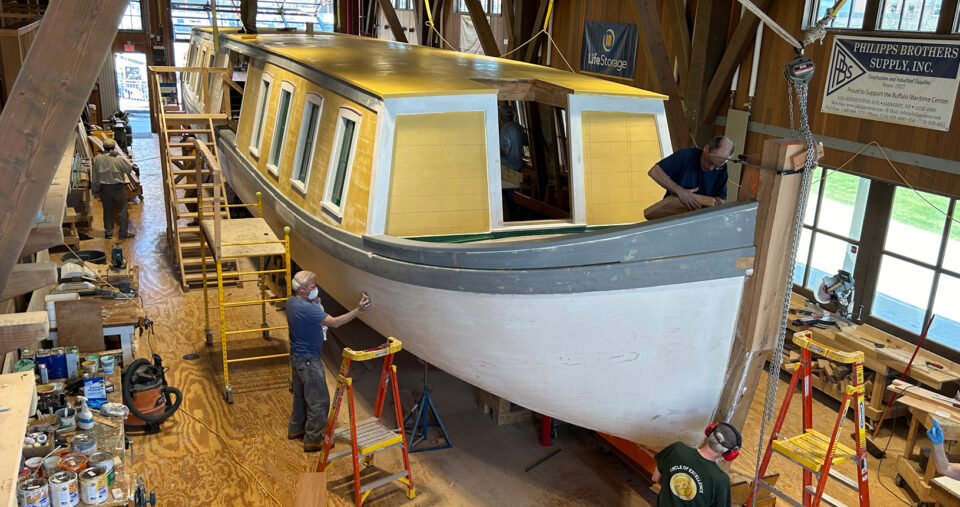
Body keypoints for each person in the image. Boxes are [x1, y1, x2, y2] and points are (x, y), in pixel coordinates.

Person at [286, 270, 371, 452]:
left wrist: (313, 302)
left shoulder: (292, 302)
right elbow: (334, 322)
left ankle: (296, 429)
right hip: (309, 360)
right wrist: (358, 310)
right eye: (312, 287)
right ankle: (314, 439)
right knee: (320, 401)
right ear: (302, 290)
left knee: (301, 396)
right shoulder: (307, 309)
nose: (316, 289)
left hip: (297, 358)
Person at [651, 422, 740, 506]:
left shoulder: (676, 449)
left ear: (709, 432)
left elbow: (655, 478)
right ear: (731, 454)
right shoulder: (721, 481)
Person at [647, 135, 735, 211]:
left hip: (699, 217)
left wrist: (718, 201)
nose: (711, 168)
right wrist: (680, 192)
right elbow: (654, 172)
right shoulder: (686, 155)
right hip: (673, 213)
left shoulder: (722, 167)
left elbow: (720, 196)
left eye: (716, 166)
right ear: (706, 149)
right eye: (710, 162)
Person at [92, 138, 135, 239]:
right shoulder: (118, 158)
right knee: (122, 210)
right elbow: (128, 170)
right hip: (118, 188)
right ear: (113, 147)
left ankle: (108, 233)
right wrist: (131, 164)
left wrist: (95, 190)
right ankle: (123, 233)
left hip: (105, 189)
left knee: (107, 210)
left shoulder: (97, 159)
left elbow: (94, 177)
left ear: (103, 147)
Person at [499, 106, 528, 174]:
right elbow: (526, 143)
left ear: (502, 117)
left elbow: (505, 151)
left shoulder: (505, 130)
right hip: (518, 166)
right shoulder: (519, 127)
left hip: (508, 167)